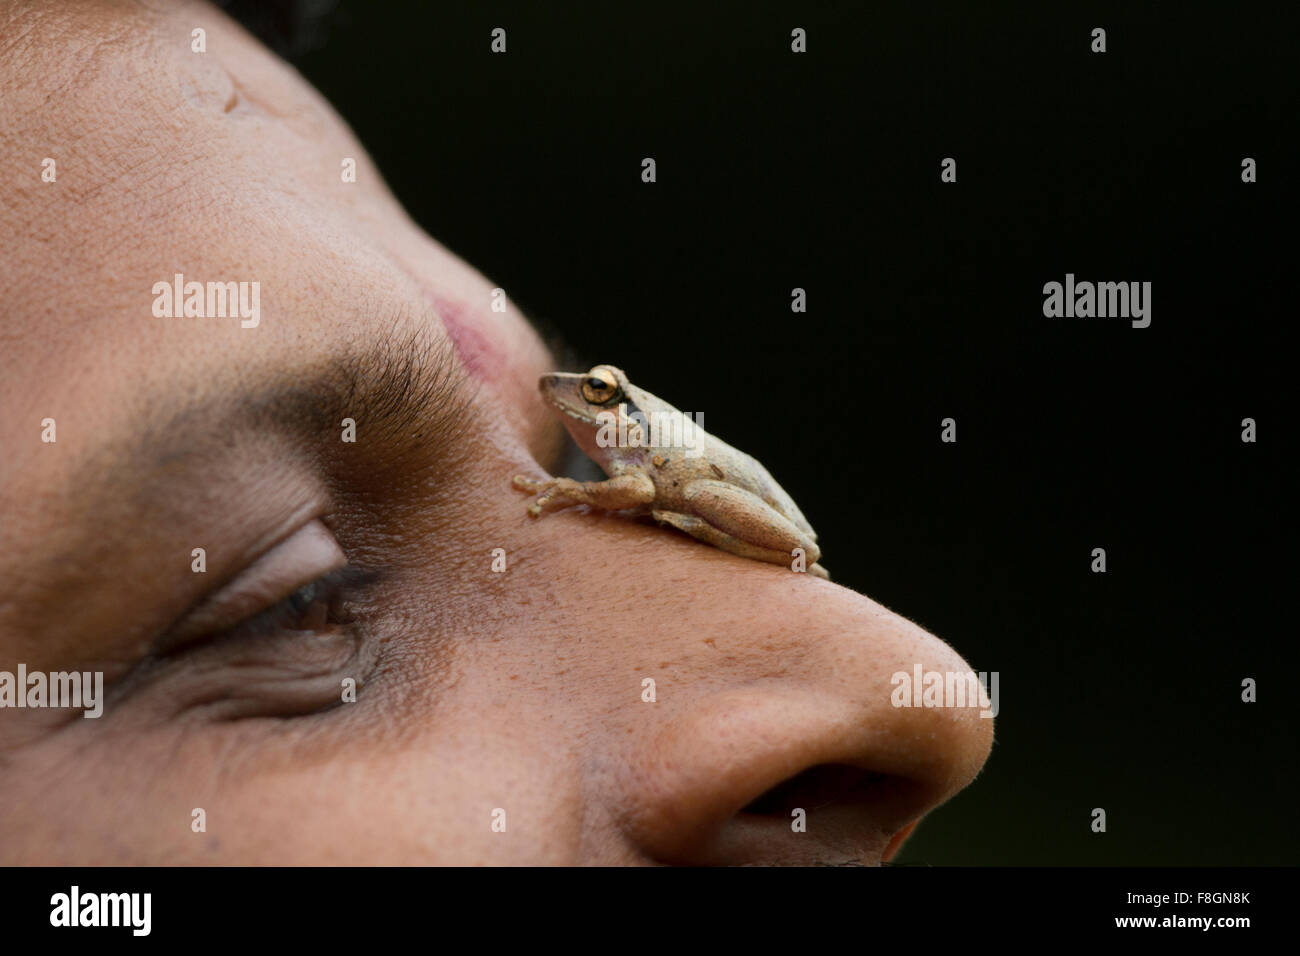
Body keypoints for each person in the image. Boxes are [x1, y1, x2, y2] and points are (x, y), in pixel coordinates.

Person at [0, 0, 991, 865]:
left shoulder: (638, 460)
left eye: (552, 446)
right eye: (300, 593)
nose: (919, 693)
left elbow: (653, 493)